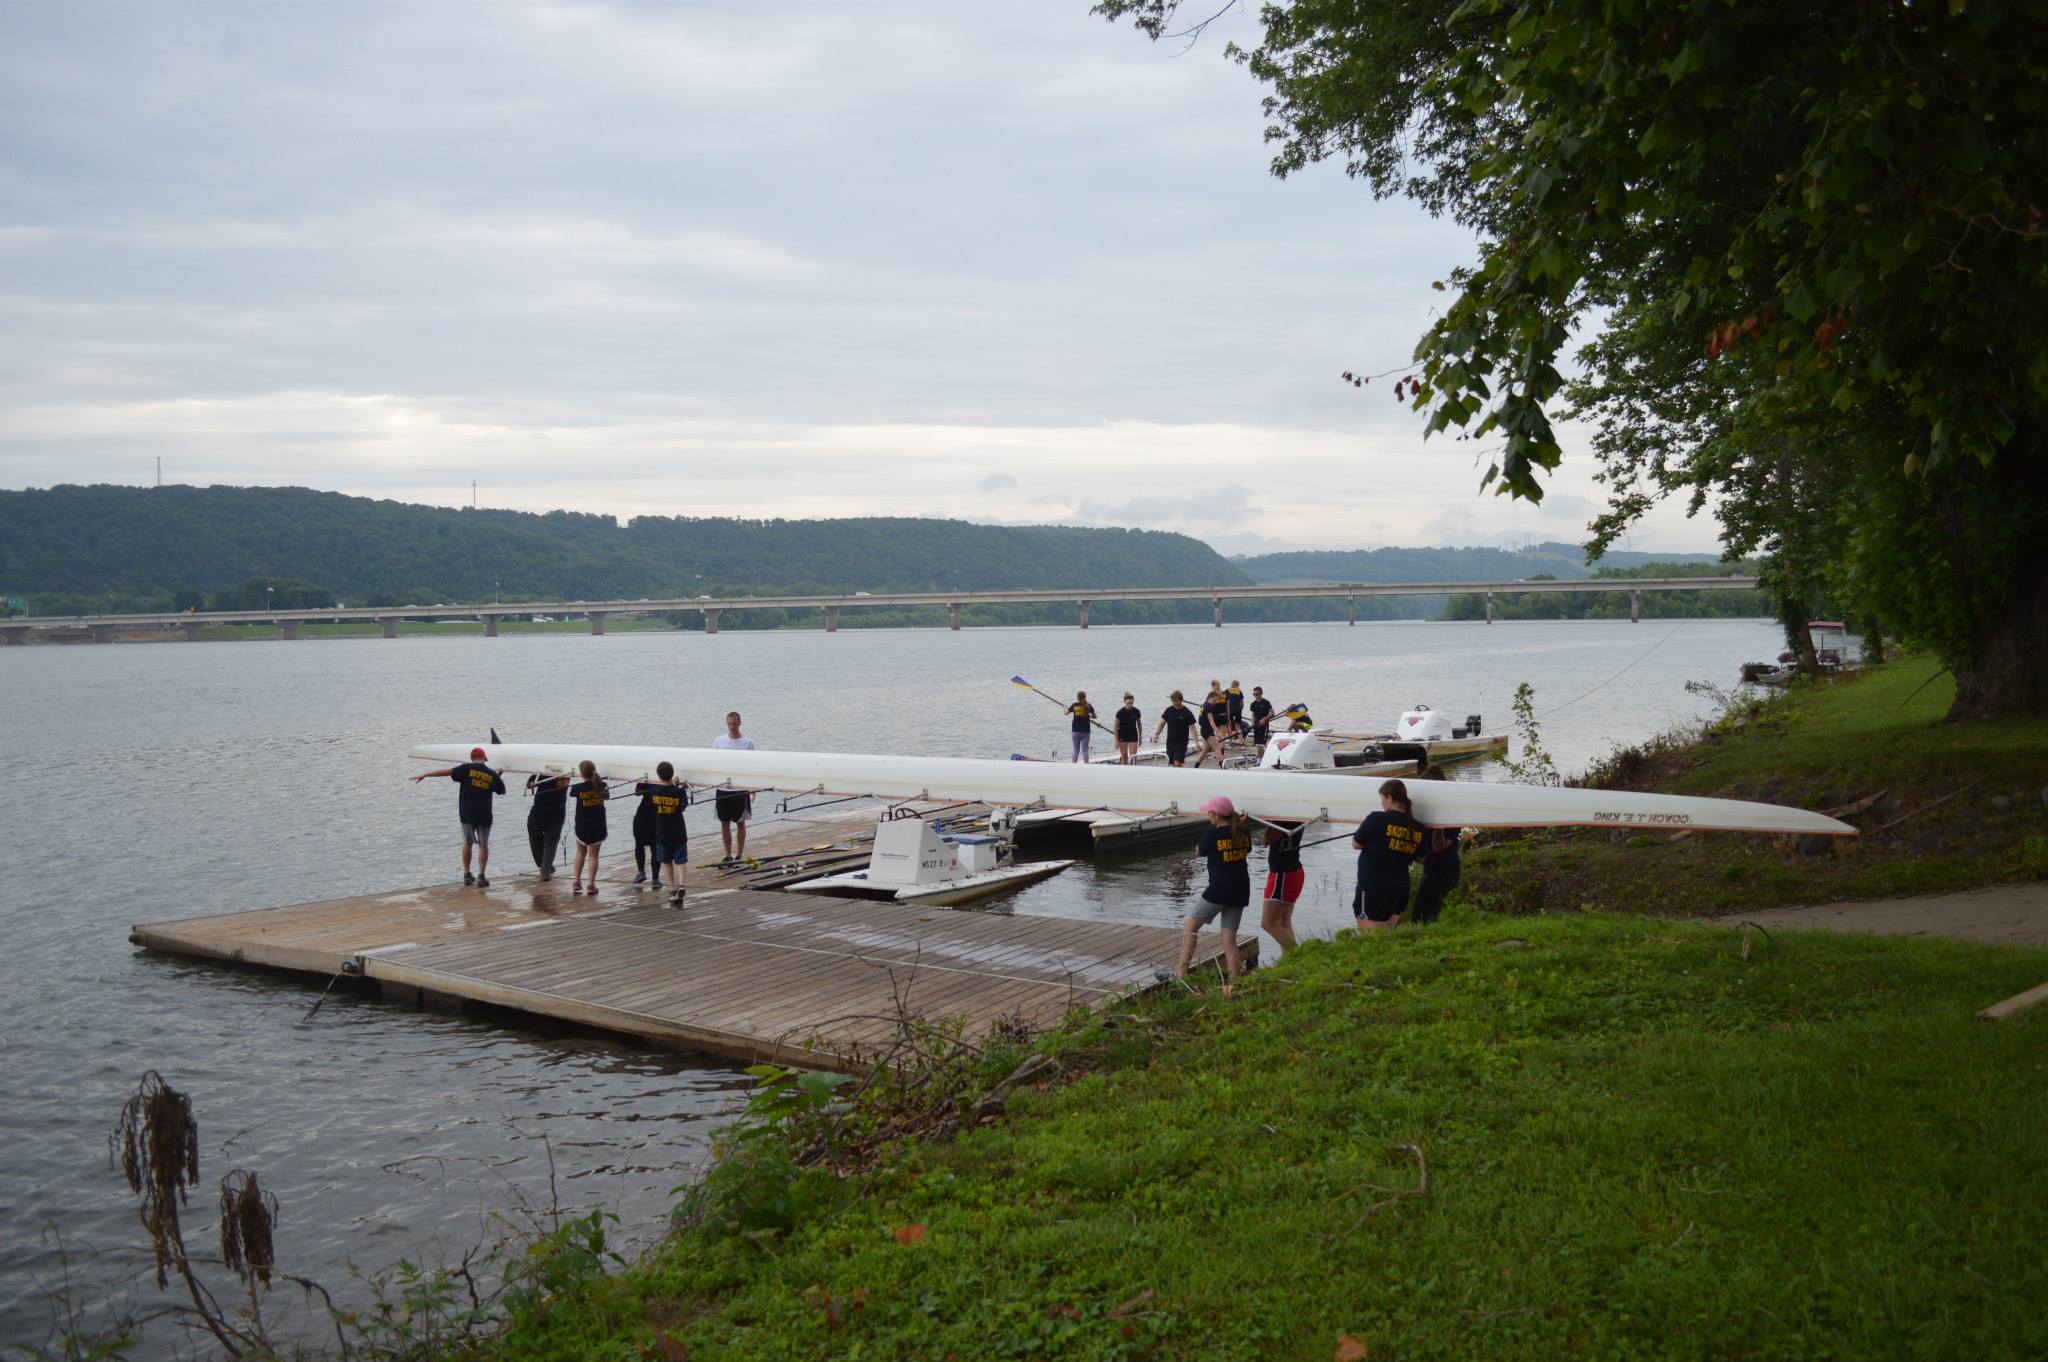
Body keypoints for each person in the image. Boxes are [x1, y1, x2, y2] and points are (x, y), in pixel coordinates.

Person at [1176, 795, 1252, 989]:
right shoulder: (1243, 831)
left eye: (1209, 813)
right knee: (1229, 940)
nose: (1208, 815)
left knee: (1190, 925)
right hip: (1241, 890)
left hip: (1219, 890)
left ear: (1216, 815)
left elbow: (1198, 852)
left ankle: (1182, 972)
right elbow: (1246, 848)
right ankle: (1234, 982)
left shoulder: (1212, 834)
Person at [411, 746, 505, 887]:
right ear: (484, 758)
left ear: (472, 758)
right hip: (484, 814)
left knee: (467, 843)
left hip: (466, 813)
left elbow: (447, 772)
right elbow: (501, 790)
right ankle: (481, 876)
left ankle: (467, 875)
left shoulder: (466, 769)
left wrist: (426, 774)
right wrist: (497, 776)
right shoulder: (491, 774)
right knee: (483, 845)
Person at [1351, 778, 1424, 930]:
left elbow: (1356, 843)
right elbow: (1421, 857)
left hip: (1374, 890)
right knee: (1387, 938)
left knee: (1370, 941)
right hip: (1400, 889)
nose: (1382, 803)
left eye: (1382, 799)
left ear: (1389, 798)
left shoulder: (1376, 819)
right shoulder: (1418, 827)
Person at [1410, 765, 1464, 925]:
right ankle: (1431, 936)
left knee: (1420, 915)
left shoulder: (1452, 813)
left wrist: (1438, 825)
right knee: (1427, 913)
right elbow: (1420, 851)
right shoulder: (1423, 811)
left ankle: (1428, 940)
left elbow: (1438, 847)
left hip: (1446, 869)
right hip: (1431, 867)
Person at [641, 762, 689, 905]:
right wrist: (679, 787)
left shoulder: (653, 792)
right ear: (673, 774)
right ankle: (682, 884)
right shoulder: (679, 792)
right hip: (679, 830)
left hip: (662, 832)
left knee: (666, 861)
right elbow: (683, 807)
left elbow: (652, 806)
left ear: (658, 775)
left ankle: (672, 889)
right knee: (680, 860)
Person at [713, 710, 756, 864]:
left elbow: (752, 767)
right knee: (724, 822)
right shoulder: (719, 741)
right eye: (729, 724)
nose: (732, 727)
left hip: (740, 790)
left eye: (734, 723)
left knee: (740, 822)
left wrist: (752, 787)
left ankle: (739, 854)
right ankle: (727, 854)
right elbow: (713, 763)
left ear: (739, 723)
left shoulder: (747, 743)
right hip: (723, 789)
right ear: (727, 724)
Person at [1260, 819, 1306, 956]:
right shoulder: (1296, 816)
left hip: (1283, 874)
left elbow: (1266, 840)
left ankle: (1298, 956)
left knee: (1268, 923)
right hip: (1293, 871)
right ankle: (1289, 960)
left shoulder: (1284, 821)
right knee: (1283, 922)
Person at [568, 760, 609, 895]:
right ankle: (591, 884)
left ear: (581, 773)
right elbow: (607, 796)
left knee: (580, 852)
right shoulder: (602, 785)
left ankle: (576, 881)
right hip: (598, 825)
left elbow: (571, 793)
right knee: (593, 855)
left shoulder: (577, 788)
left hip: (582, 825)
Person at [525, 771, 569, 882]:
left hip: (554, 810)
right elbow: (529, 784)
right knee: (536, 836)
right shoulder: (543, 770)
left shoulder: (566, 771)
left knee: (551, 840)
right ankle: (546, 866)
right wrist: (532, 784)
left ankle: (545, 869)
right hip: (543, 809)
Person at [1153, 691, 1197, 768]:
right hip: (1170, 740)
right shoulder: (1168, 710)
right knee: (1173, 763)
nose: (1174, 703)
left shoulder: (1187, 712)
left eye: (1176, 701)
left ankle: (1180, 778)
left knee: (1177, 763)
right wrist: (1157, 734)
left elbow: (1193, 728)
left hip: (1182, 741)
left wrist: (1196, 743)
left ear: (1181, 700)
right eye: (1173, 701)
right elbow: (1162, 723)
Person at [630, 776, 660, 886]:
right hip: (644, 816)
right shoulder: (649, 777)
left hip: (654, 817)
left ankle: (654, 878)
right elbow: (637, 792)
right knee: (641, 845)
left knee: (654, 847)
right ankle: (642, 872)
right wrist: (643, 782)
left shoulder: (662, 781)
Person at [1201, 682, 1230, 764]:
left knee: (1212, 733)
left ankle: (1208, 750)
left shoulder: (1212, 695)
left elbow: (1205, 705)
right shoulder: (1224, 693)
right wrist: (1228, 717)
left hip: (1214, 715)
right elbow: (1228, 706)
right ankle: (1221, 752)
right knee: (1222, 735)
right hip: (1223, 715)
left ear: (1213, 686)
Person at [1067, 691, 1098, 762]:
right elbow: (1095, 716)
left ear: (1077, 698)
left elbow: (1066, 713)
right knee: (1085, 750)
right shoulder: (1088, 705)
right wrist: (1089, 716)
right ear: (1085, 697)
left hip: (1075, 730)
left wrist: (1064, 707)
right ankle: (1086, 765)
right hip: (1086, 731)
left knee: (1075, 749)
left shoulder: (1074, 705)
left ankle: (1073, 765)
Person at [1113, 692, 1143, 765]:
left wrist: (1140, 737)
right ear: (1124, 702)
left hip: (1133, 735)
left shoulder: (1136, 711)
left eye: (1131, 703)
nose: (1130, 705)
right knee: (1124, 756)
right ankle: (1124, 772)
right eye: (1128, 703)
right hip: (1122, 735)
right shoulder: (1120, 713)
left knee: (1133, 756)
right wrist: (1116, 740)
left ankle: (1133, 770)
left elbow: (1139, 724)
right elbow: (1115, 727)